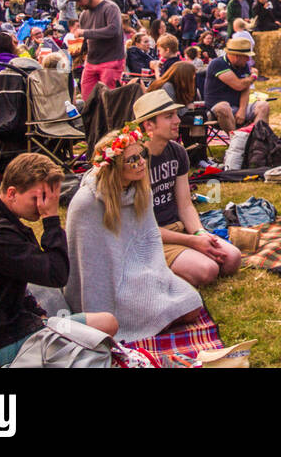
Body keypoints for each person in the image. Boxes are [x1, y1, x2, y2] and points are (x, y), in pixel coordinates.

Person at [0, 152, 117, 366]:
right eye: (38, 198)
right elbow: (56, 274)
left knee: (97, 322)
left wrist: (38, 316)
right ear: (12, 193)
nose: (43, 205)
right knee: (103, 328)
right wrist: (51, 220)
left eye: (49, 198)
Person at [64, 128, 203, 341]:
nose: (141, 163)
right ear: (114, 165)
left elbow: (149, 240)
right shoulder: (86, 203)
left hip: (141, 271)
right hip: (110, 283)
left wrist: (153, 274)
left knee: (192, 303)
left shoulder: (140, 191)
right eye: (132, 159)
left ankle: (151, 315)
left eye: (142, 156)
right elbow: (85, 264)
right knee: (154, 311)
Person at [133, 90, 244, 286]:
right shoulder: (135, 162)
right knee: (207, 271)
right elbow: (139, 228)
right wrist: (193, 242)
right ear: (148, 125)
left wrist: (200, 233)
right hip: (149, 239)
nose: (177, 120)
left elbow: (185, 205)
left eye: (176, 114)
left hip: (180, 229)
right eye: (169, 116)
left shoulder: (177, 152)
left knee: (232, 258)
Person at [202, 35, 269, 134]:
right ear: (237, 56)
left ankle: (257, 140)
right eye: (246, 56)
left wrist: (242, 109)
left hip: (237, 107)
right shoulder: (218, 64)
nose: (248, 60)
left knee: (263, 105)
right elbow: (239, 85)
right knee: (223, 107)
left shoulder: (243, 65)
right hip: (216, 110)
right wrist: (253, 77)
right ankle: (237, 142)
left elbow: (245, 88)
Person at [71, 0, 124, 101]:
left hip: (111, 61)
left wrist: (84, 33)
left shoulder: (110, 8)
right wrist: (77, 49)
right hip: (91, 62)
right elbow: (87, 39)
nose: (78, 4)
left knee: (108, 101)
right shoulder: (84, 14)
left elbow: (113, 30)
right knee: (88, 101)